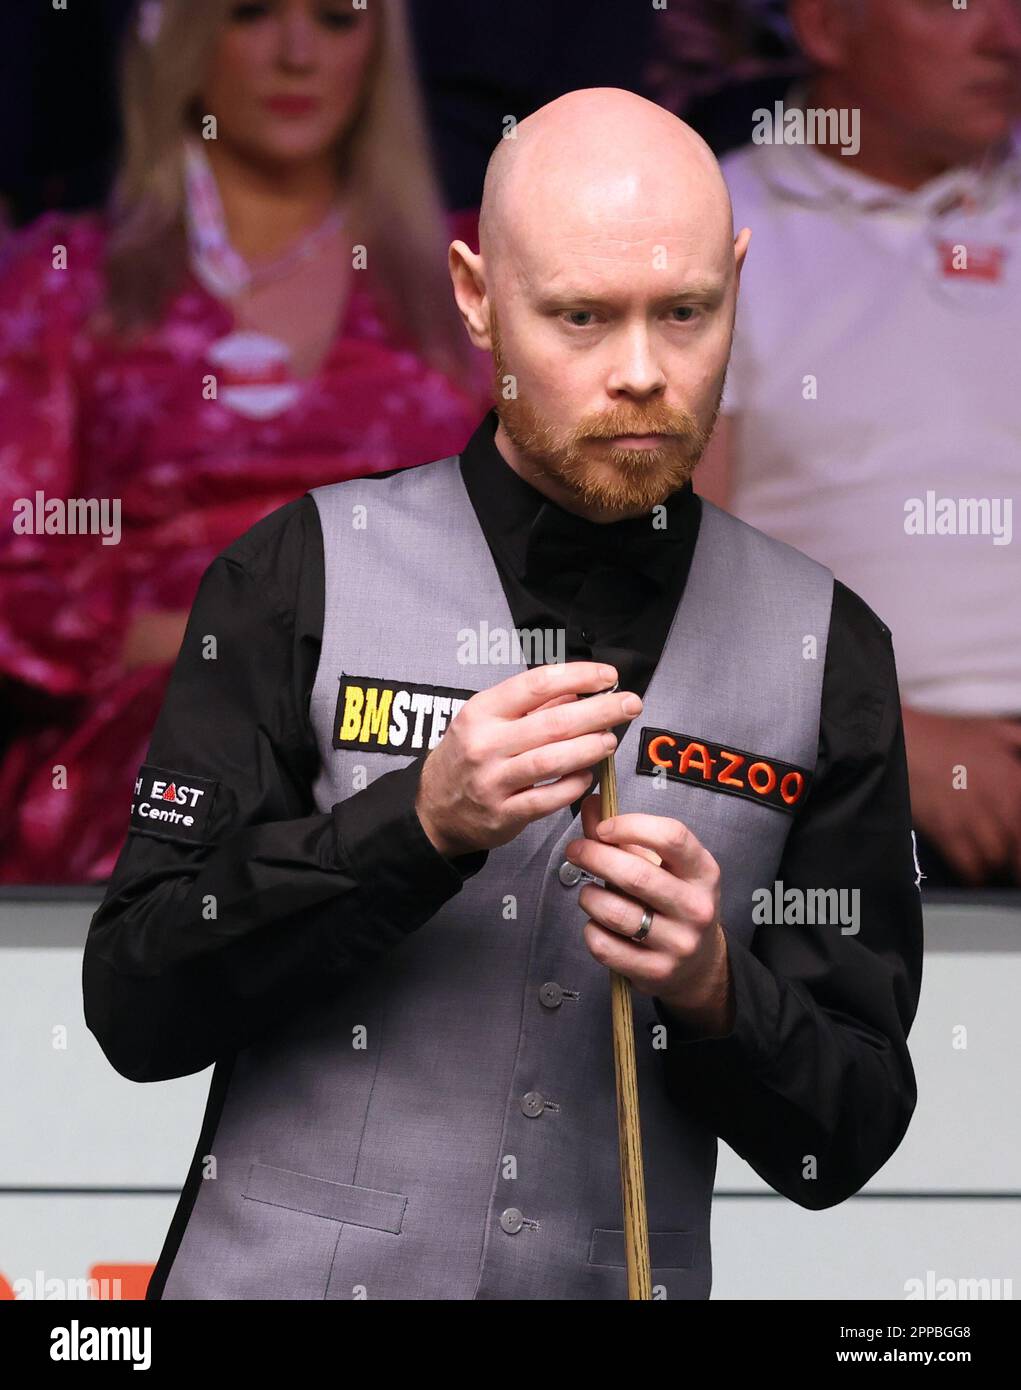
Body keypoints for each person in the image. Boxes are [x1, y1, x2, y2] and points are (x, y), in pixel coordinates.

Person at [84, 88, 922, 1301]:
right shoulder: (297, 571)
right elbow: (135, 1005)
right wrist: (412, 825)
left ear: (738, 279)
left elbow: (843, 1138)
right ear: (476, 297)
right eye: (580, 317)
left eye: (685, 312)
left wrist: (716, 990)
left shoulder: (826, 647)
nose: (642, 373)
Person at [0, 0, 488, 883]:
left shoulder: (474, 277)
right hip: (154, 720)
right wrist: (202, 639)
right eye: (252, 13)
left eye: (339, 20)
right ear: (179, 35)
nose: (297, 55)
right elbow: (15, 568)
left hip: (426, 712)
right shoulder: (64, 285)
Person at [697, 0, 1021, 887]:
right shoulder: (712, 226)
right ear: (827, 25)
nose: (1006, 37)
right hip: (836, 771)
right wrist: (886, 735)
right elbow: (663, 586)